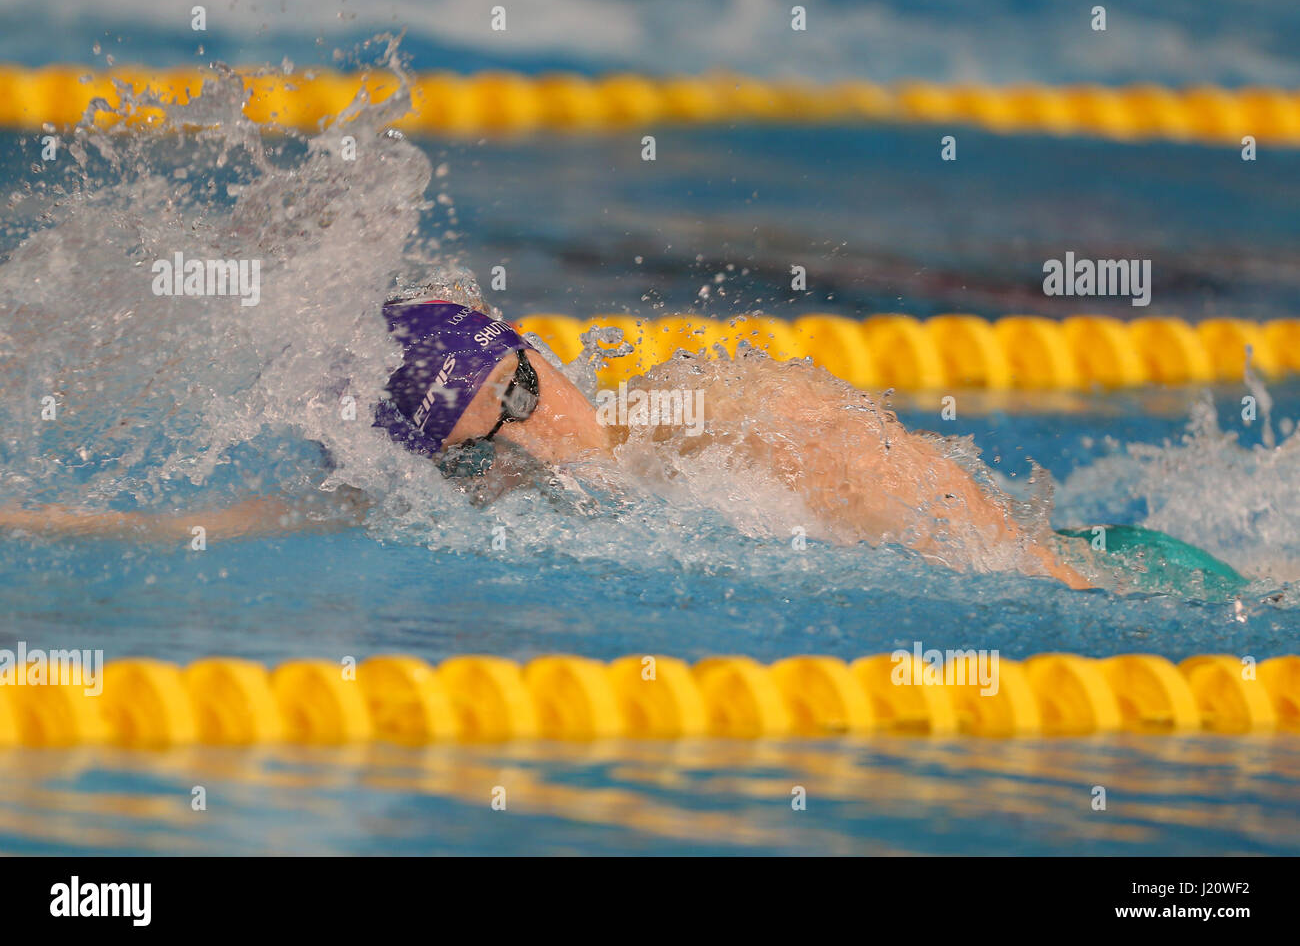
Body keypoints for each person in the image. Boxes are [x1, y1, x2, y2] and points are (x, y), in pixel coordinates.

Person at [1, 298, 1091, 587]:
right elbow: (189, 527)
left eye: (522, 389)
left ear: (538, 351)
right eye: (481, 451)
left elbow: (1019, 571)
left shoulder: (720, 421)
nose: (536, 443)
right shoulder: (445, 509)